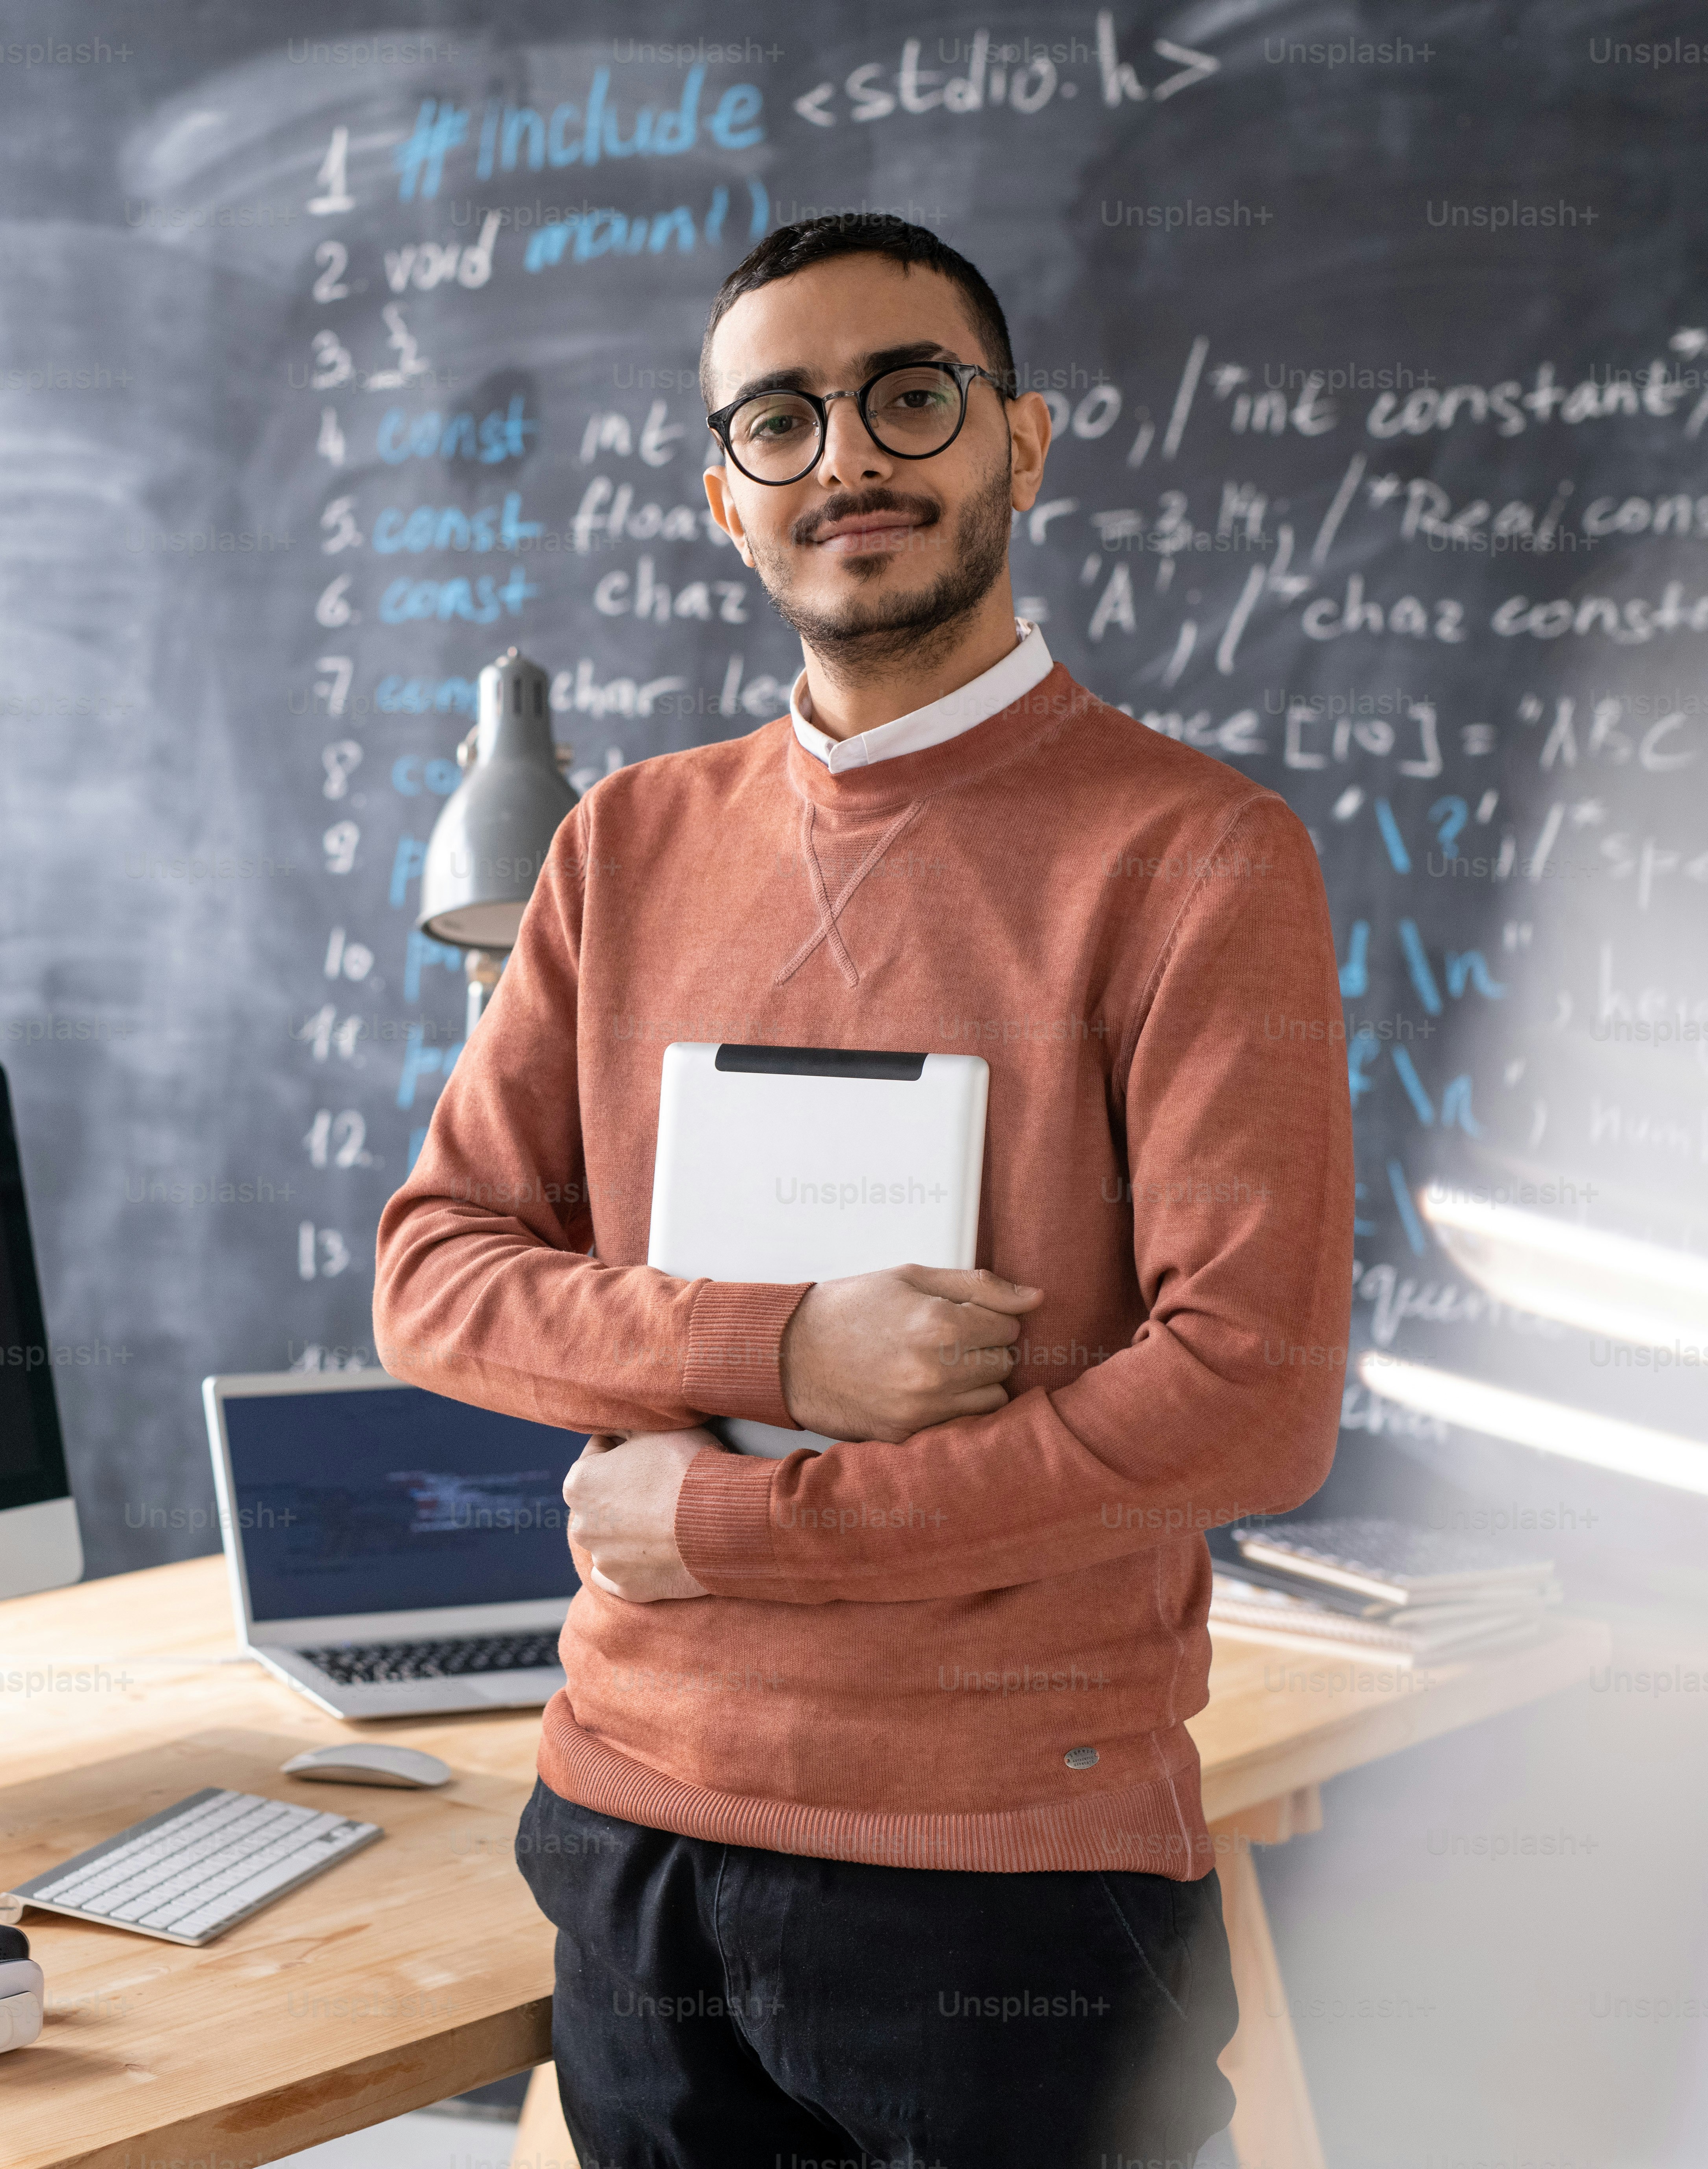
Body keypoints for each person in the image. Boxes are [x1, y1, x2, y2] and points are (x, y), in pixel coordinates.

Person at [373, 214, 1355, 2167]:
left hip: (1003, 1873)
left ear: (1024, 441)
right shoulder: (625, 840)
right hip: (635, 1838)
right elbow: (438, 1271)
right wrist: (784, 1345)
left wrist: (744, 1522)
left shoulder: (1196, 857)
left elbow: (1249, 1394)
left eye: (912, 394)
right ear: (727, 498)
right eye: (782, 418)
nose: (850, 459)